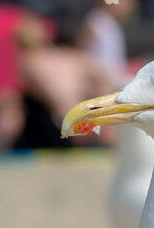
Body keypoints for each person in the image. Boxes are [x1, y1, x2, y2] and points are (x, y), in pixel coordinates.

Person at [7, 10, 111, 151]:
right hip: (84, 119)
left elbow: (57, 96)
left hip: (53, 133)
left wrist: (77, 128)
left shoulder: (31, 62)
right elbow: (102, 79)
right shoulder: (70, 56)